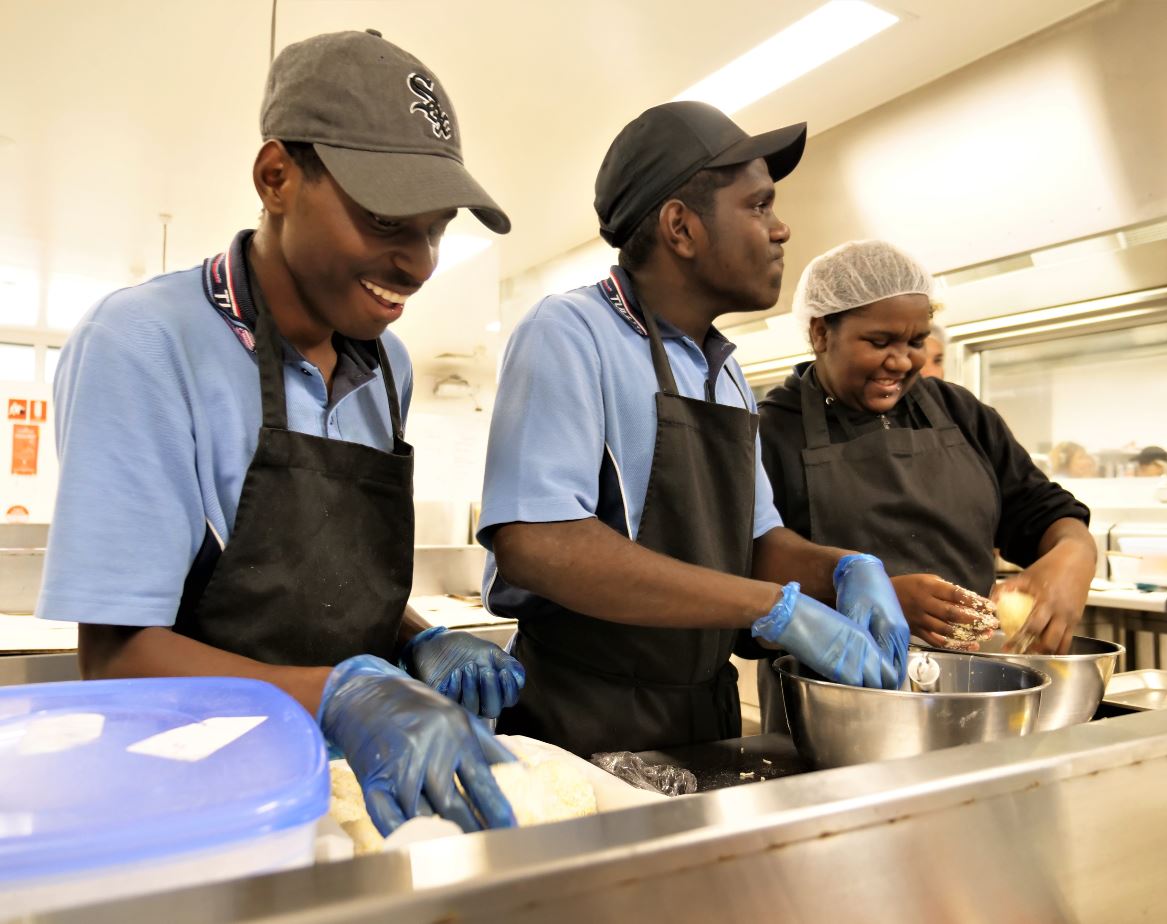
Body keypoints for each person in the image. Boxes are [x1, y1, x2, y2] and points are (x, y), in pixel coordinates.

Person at [37, 30, 524, 835]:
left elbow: (319, 586)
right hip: (189, 798)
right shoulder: (147, 344)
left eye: (436, 228)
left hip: (350, 799)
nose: (418, 263)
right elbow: (117, 657)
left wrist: (416, 639)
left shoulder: (388, 365)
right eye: (387, 220)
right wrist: (342, 695)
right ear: (276, 178)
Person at [476, 102, 910, 758]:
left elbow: (760, 540)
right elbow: (539, 543)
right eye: (760, 206)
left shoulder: (725, 370)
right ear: (681, 227)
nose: (781, 228)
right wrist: (772, 607)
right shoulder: (569, 333)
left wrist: (845, 568)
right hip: (580, 721)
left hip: (703, 717)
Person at [759, 240, 1096, 663]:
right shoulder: (770, 431)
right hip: (831, 698)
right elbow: (750, 583)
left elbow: (1042, 512)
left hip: (976, 680)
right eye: (880, 342)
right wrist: (868, 601)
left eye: (916, 341)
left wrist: (1074, 554)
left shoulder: (960, 412)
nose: (901, 362)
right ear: (821, 332)